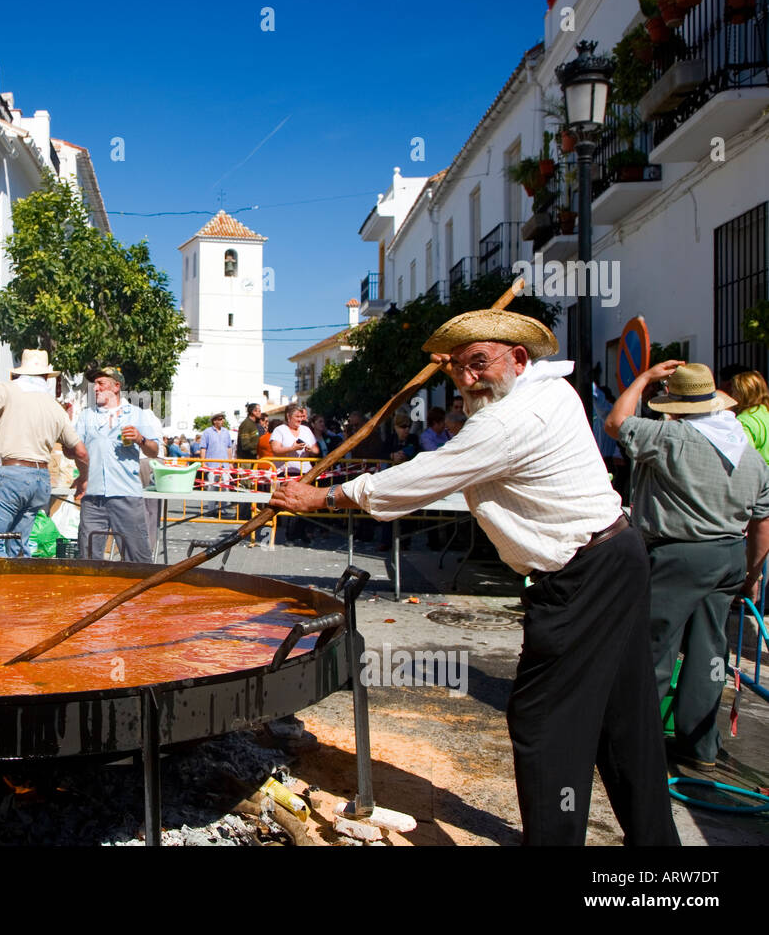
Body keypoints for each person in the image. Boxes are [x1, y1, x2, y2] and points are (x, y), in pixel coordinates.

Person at [270, 309, 678, 846]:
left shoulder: (509, 421)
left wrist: (324, 497)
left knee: (544, 724)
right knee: (625, 720)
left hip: (582, 575)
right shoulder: (549, 391)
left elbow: (425, 475)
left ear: (519, 358)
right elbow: (483, 400)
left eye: (478, 363)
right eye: (457, 368)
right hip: (613, 557)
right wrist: (467, 369)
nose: (466, 377)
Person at [606, 361, 769, 769]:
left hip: (679, 554)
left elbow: (616, 422)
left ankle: (631, 744)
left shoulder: (670, 436)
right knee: (709, 651)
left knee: (652, 646)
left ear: (674, 406)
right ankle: (699, 746)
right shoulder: (746, 451)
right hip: (729, 554)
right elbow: (762, 522)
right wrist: (752, 573)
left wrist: (642, 378)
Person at [0, 350, 88, 557]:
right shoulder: (55, 407)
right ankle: (19, 587)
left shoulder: (8, 390)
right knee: (18, 547)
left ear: (20, 373)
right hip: (40, 480)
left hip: (11, 475)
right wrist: (83, 477)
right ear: (46, 376)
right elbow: (81, 452)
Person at [74, 366, 161, 563]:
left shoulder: (138, 414)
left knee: (137, 557)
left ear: (116, 387)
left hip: (126, 495)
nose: (95, 388)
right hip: (93, 498)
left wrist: (140, 439)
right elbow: (75, 449)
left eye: (100, 383)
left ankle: (141, 592)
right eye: (94, 384)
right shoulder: (87, 416)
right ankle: (93, 594)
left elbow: (154, 451)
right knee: (88, 557)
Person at [271, 402, 319, 544]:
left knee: (305, 503)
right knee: (291, 503)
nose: (300, 419)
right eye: (297, 417)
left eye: (301, 417)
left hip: (305, 472)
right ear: (288, 416)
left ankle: (301, 532)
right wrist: (291, 448)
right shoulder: (279, 430)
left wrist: (310, 449)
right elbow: (275, 449)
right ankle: (290, 534)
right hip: (286, 472)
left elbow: (316, 450)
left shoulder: (306, 430)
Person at [728, 369, 769, 465]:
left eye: (734, 391)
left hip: (762, 474)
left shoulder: (744, 420)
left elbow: (746, 456)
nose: (732, 395)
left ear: (742, 394)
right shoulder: (766, 411)